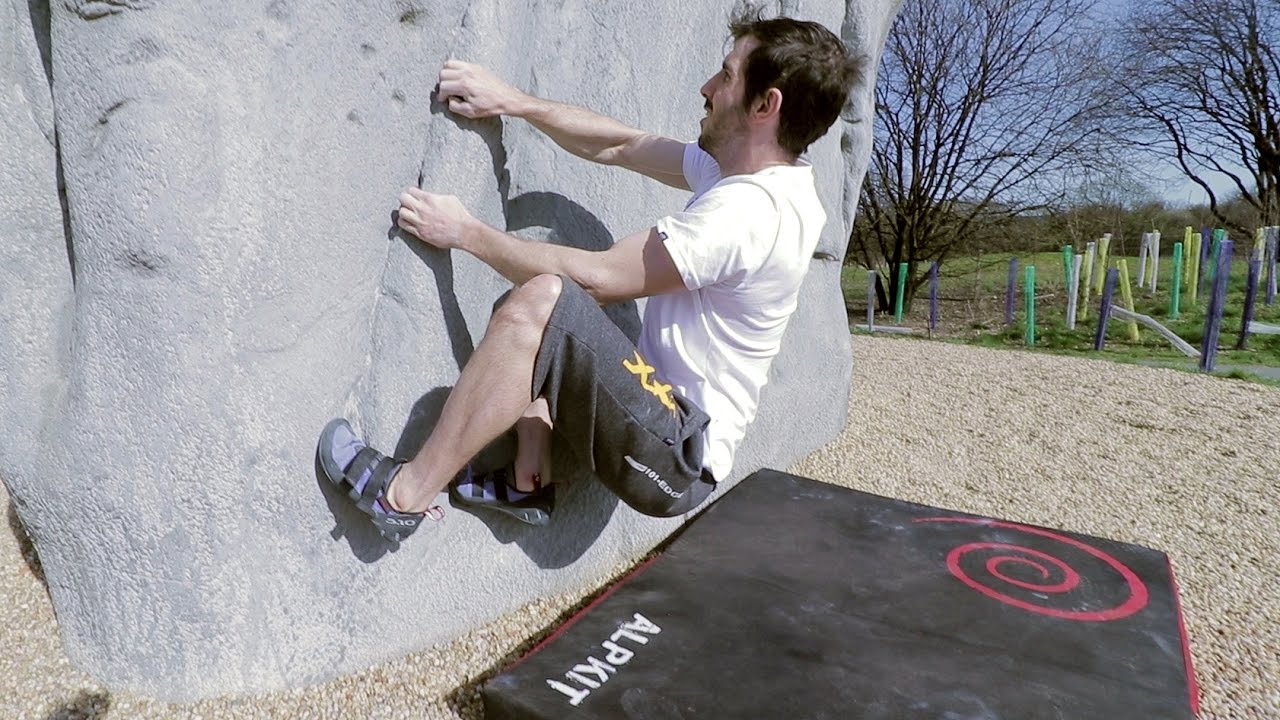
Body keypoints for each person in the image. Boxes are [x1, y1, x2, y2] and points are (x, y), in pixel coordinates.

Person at [316, 9, 863, 541]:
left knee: (548, 299)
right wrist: (513, 102)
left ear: (766, 105)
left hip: (676, 459)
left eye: (726, 76)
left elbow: (598, 279)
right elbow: (621, 144)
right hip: (654, 412)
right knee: (542, 298)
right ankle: (529, 479)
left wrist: (463, 231)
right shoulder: (758, 175)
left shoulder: (751, 215)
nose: (706, 87)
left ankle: (401, 497)